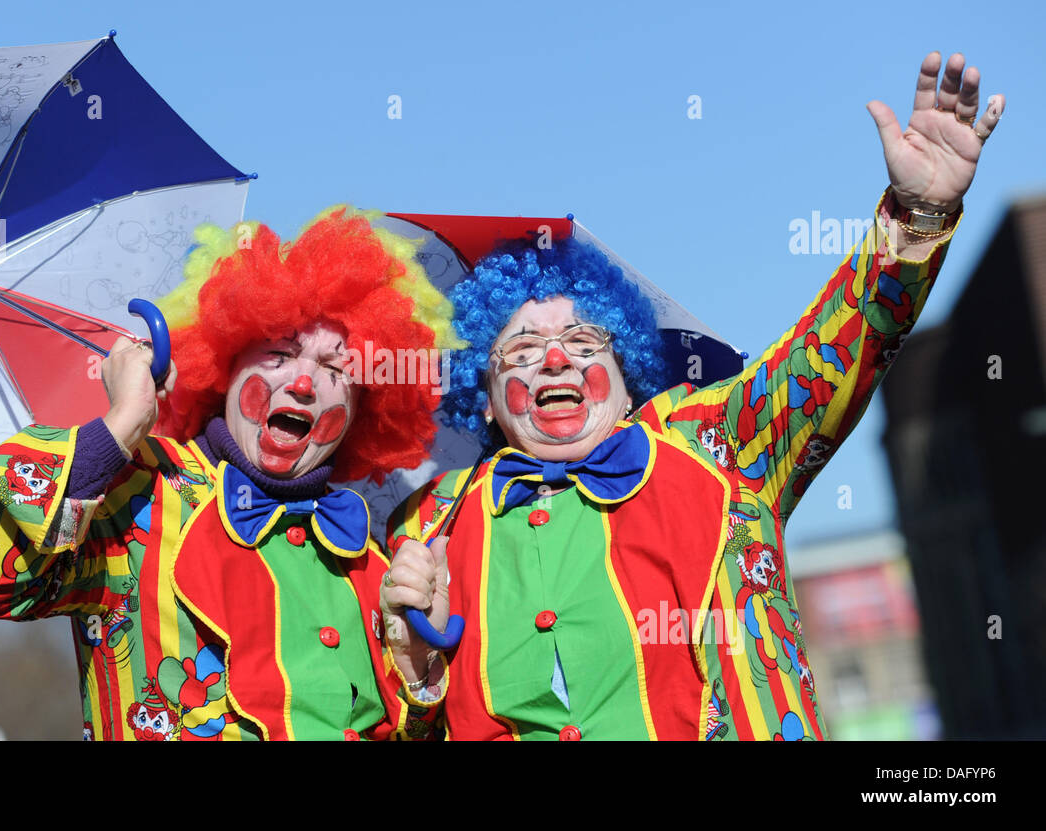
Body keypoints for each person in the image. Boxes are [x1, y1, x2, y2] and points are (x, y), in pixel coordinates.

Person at [380, 52, 1003, 740]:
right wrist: (420, 673)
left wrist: (918, 214)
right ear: (489, 399)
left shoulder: (714, 445)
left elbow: (828, 352)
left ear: (625, 370)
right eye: (521, 352)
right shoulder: (430, 526)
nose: (554, 359)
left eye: (584, 342)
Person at [0, 207, 459, 740]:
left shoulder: (369, 561)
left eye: (335, 368)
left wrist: (416, 667)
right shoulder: (139, 494)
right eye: (279, 353)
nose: (303, 382)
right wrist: (118, 429)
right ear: (224, 370)